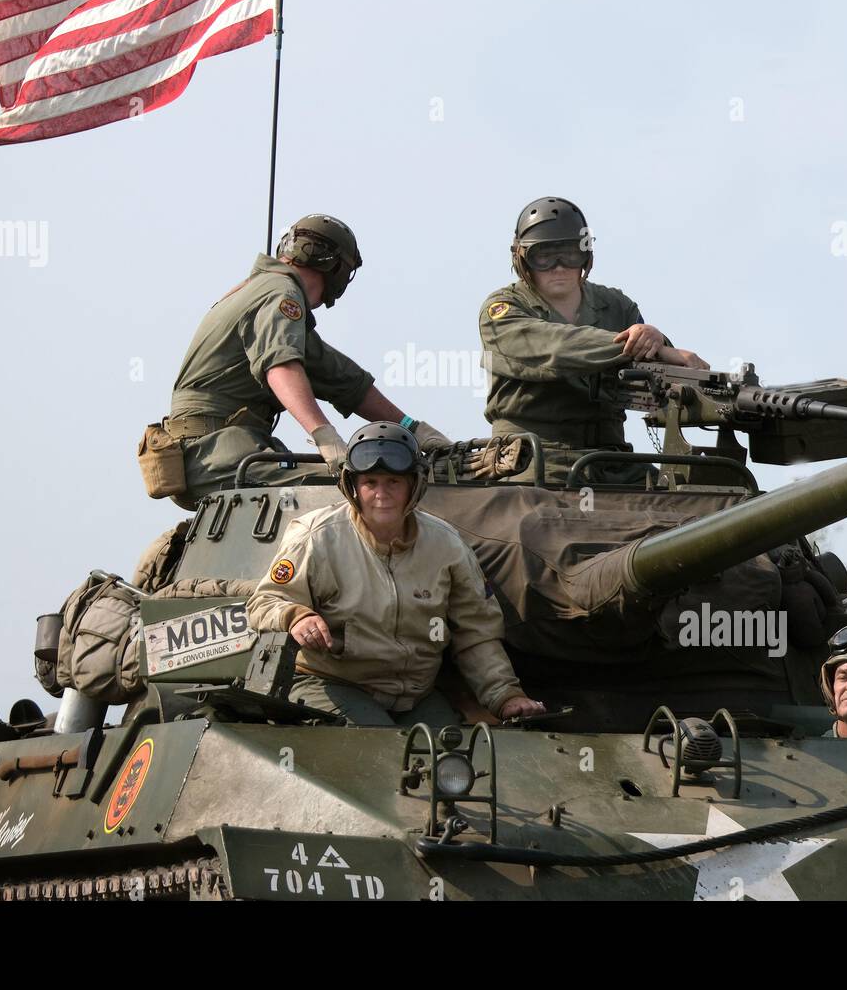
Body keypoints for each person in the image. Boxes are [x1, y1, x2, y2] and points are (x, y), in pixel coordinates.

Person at [246, 421, 546, 727]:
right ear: (353, 486)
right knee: (378, 749)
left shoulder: (447, 545)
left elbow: (476, 631)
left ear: (413, 485)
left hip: (414, 695)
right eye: (371, 482)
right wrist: (296, 616)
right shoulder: (317, 536)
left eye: (393, 482)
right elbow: (266, 601)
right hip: (331, 683)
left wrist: (505, 696)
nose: (381, 494)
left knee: (455, 755)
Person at [160, 214, 450, 503]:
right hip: (216, 455)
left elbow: (344, 381)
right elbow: (281, 367)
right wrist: (326, 438)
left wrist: (415, 430)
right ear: (335, 267)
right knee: (368, 490)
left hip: (216, 450)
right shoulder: (280, 293)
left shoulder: (260, 290)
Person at [479, 196, 707, 483]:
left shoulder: (616, 306)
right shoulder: (502, 309)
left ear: (586, 256)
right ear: (522, 258)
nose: (559, 266)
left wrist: (664, 349)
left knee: (702, 502)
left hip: (612, 461)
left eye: (570, 254)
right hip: (533, 461)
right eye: (544, 255)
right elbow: (556, 347)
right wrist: (631, 345)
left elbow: (657, 377)